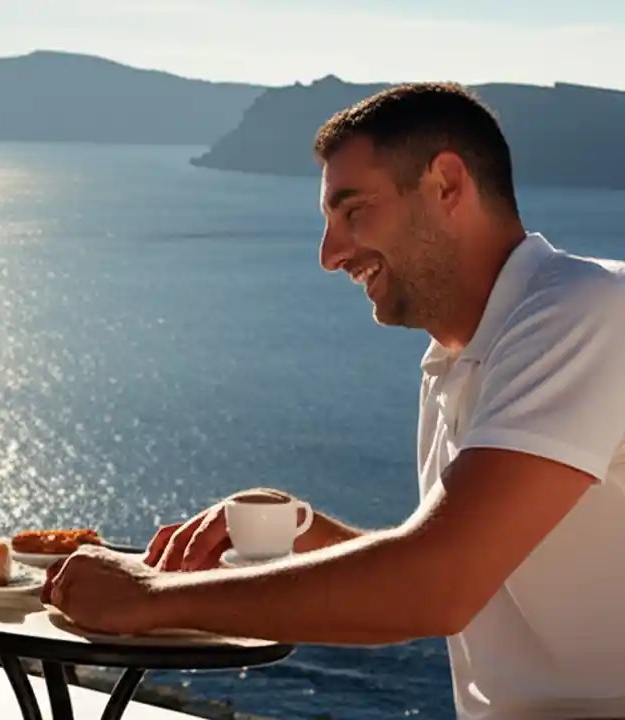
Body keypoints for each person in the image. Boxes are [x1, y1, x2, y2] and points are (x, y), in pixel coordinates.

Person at [46, 83, 625, 719]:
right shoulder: (458, 362)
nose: (329, 256)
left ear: (447, 184)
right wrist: (305, 530)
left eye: (353, 211)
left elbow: (437, 585)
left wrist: (151, 598)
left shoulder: (587, 309)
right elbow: (450, 572)